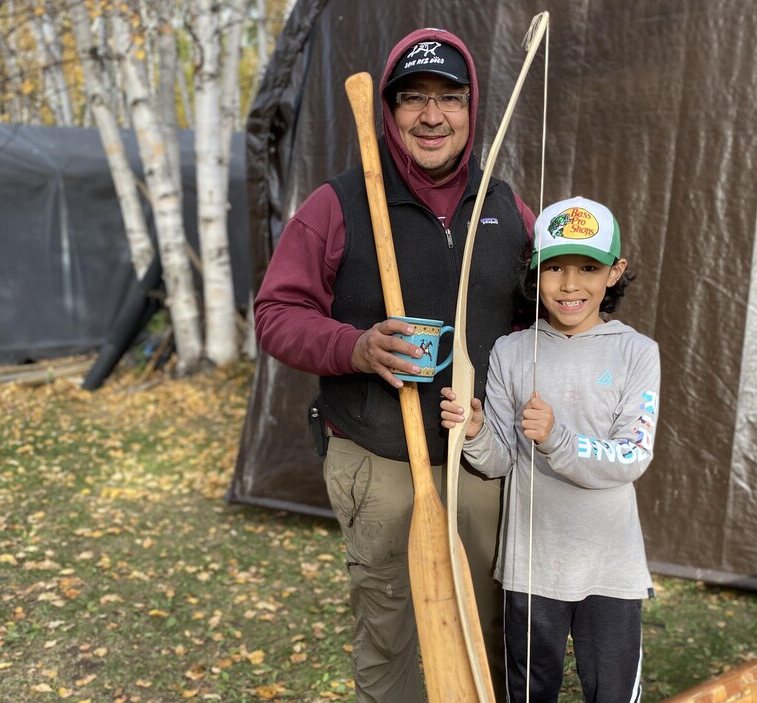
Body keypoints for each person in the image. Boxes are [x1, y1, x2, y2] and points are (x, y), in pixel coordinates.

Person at [253, 27, 536, 702]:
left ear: (473, 109)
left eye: (449, 98)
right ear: (388, 110)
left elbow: (543, 316)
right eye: (413, 99)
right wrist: (356, 346)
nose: (431, 116)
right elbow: (276, 313)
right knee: (388, 634)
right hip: (377, 459)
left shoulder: (506, 207)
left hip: (479, 460)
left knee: (487, 626)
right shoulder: (339, 205)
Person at [440, 196, 658, 703]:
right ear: (534, 274)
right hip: (532, 567)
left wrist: (557, 439)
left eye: (587, 268)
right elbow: (498, 459)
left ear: (615, 271)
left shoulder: (636, 353)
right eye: (554, 268)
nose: (568, 284)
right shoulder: (512, 351)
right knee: (529, 694)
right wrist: (473, 430)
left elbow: (632, 456)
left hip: (611, 569)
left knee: (613, 694)